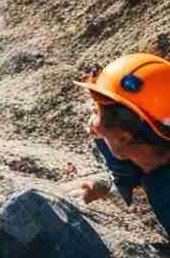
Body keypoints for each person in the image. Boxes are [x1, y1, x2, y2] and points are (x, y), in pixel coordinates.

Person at [68, 53, 170, 237]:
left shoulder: (165, 190)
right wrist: (101, 185)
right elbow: (126, 174)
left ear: (124, 136)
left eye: (97, 111)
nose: (92, 120)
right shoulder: (144, 153)